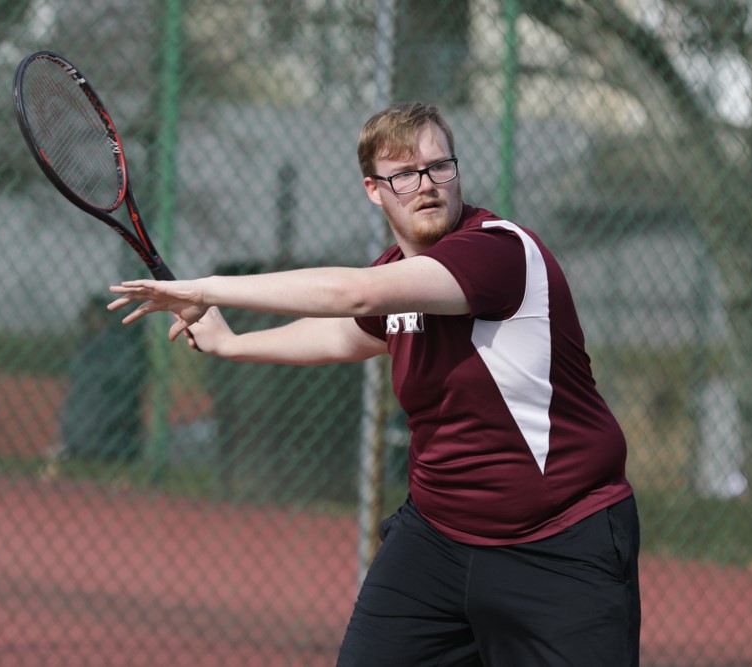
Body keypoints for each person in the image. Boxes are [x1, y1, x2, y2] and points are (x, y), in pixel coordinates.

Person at [108, 102, 640, 666]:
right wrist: (233, 343)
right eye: (405, 175)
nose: (427, 185)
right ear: (374, 189)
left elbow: (355, 296)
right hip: (436, 541)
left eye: (440, 167)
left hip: (557, 543)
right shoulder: (398, 274)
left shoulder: (498, 252)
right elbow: (345, 333)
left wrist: (205, 289)